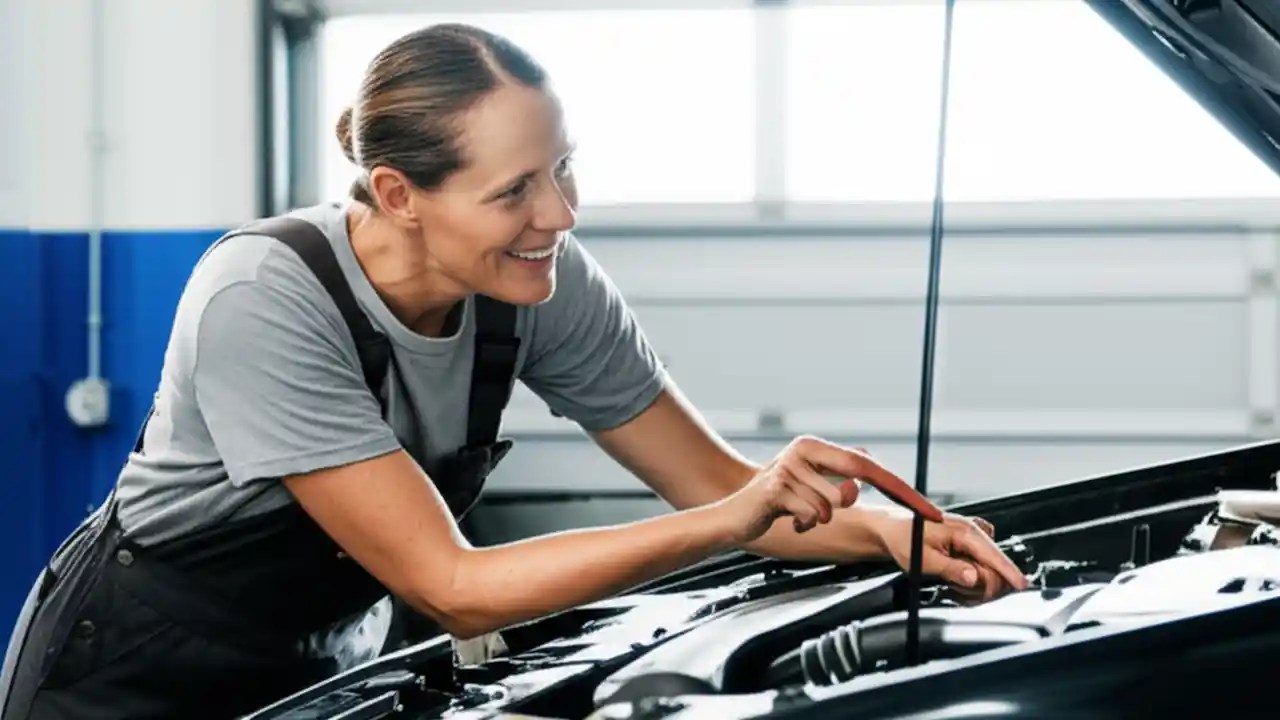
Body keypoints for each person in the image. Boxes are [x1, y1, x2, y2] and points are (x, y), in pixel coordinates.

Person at [0, 22, 1027, 720]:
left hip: (331, 659)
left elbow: (721, 487)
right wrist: (731, 522)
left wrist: (902, 532)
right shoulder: (263, 297)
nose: (561, 215)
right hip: (133, 673)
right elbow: (455, 587)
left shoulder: (537, 280)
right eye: (515, 191)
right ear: (400, 194)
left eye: (564, 167)